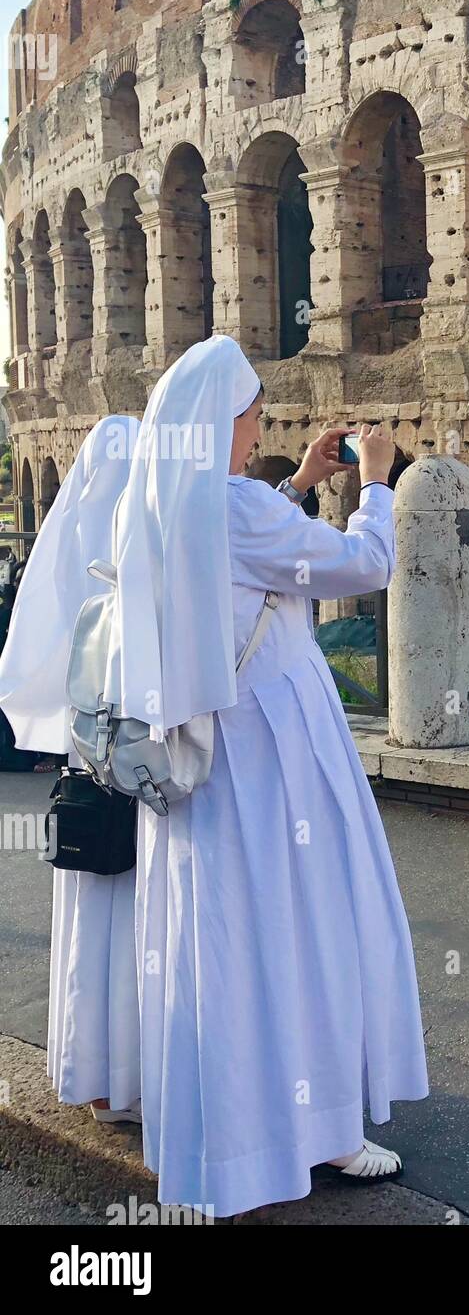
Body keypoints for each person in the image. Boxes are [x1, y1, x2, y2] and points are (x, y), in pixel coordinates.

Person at [108, 335, 428, 1216]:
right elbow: (366, 564)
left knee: (227, 945)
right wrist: (371, 479)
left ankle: (238, 1142)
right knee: (303, 929)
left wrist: (295, 488)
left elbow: (239, 564)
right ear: (223, 421)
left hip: (203, 753)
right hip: (273, 750)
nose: (258, 432)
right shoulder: (238, 506)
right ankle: (318, 1125)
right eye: (253, 418)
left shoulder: (164, 501)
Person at [0, 415, 143, 1123]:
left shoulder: (68, 559)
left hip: (85, 769)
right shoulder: (139, 553)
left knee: (89, 920)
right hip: (141, 764)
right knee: (139, 922)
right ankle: (136, 1076)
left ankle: (92, 1074)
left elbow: (36, 655)